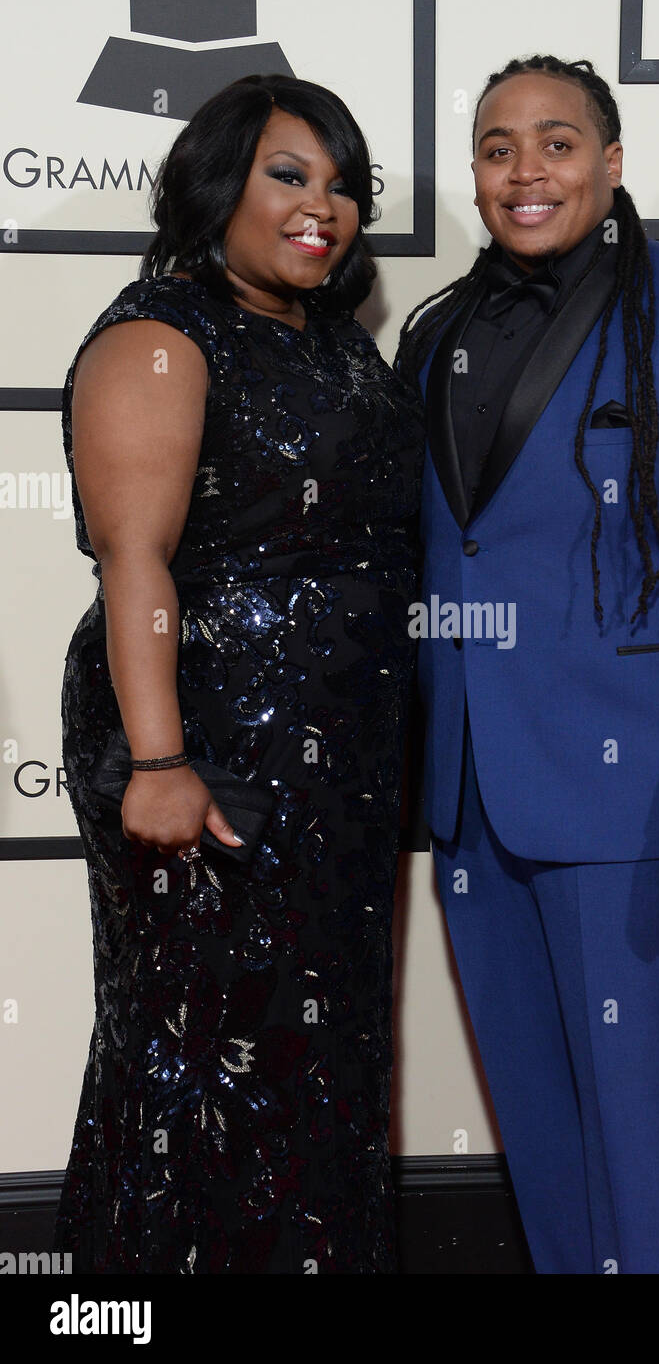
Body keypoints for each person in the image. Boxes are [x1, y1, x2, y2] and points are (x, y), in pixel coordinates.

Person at [396, 54, 659, 1274]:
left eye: (556, 141)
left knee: (650, 1156)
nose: (524, 170)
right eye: (496, 149)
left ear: (612, 160)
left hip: (643, 809)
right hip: (474, 803)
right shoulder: (437, 334)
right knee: (546, 1150)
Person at [54, 73, 423, 1273]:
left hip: (338, 763)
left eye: (343, 185)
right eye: (288, 174)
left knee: (323, 1050)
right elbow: (136, 557)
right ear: (217, 183)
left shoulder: (332, 340)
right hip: (209, 751)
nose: (324, 206)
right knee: (200, 1050)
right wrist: (159, 759)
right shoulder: (161, 335)